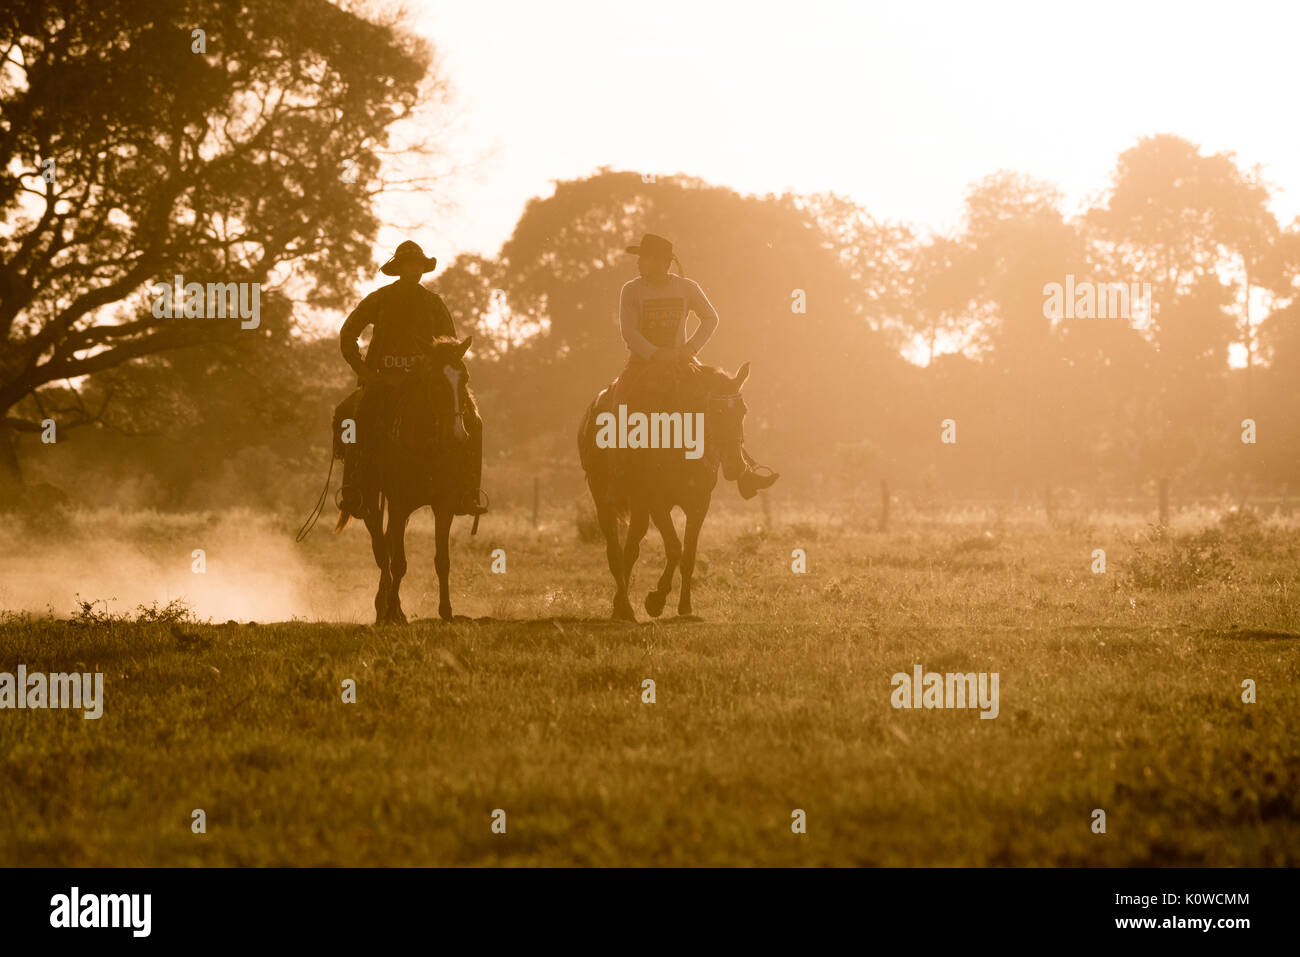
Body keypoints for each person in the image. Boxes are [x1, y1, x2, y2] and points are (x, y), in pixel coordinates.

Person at [615, 232, 778, 499]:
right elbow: (629, 331)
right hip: (642, 363)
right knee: (620, 400)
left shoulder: (686, 288)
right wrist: (655, 353)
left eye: (645, 257)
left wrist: (690, 348)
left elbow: (710, 318)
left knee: (721, 403)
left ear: (661, 261)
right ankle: (617, 468)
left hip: (682, 362)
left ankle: (744, 470)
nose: (639, 263)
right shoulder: (631, 290)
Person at [335, 240, 486, 519]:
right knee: (349, 416)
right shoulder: (378, 299)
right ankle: (354, 489)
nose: (414, 270)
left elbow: (451, 346)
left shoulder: (433, 303)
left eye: (418, 265)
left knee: (473, 422)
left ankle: (467, 492)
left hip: (426, 385)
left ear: (422, 269)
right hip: (382, 383)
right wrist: (366, 373)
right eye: (409, 265)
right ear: (399, 269)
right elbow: (348, 335)